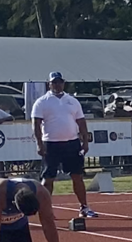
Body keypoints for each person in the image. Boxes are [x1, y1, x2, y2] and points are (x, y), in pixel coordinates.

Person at [32, 71, 97, 218]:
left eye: (59, 82)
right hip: (51, 143)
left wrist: (85, 142)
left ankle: (84, 207)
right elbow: (36, 124)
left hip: (71, 143)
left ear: (64, 83)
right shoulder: (42, 102)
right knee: (48, 178)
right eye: (54, 82)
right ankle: (45, 209)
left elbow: (81, 122)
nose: (57, 84)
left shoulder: (73, 101)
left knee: (77, 176)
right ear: (49, 84)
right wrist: (39, 143)